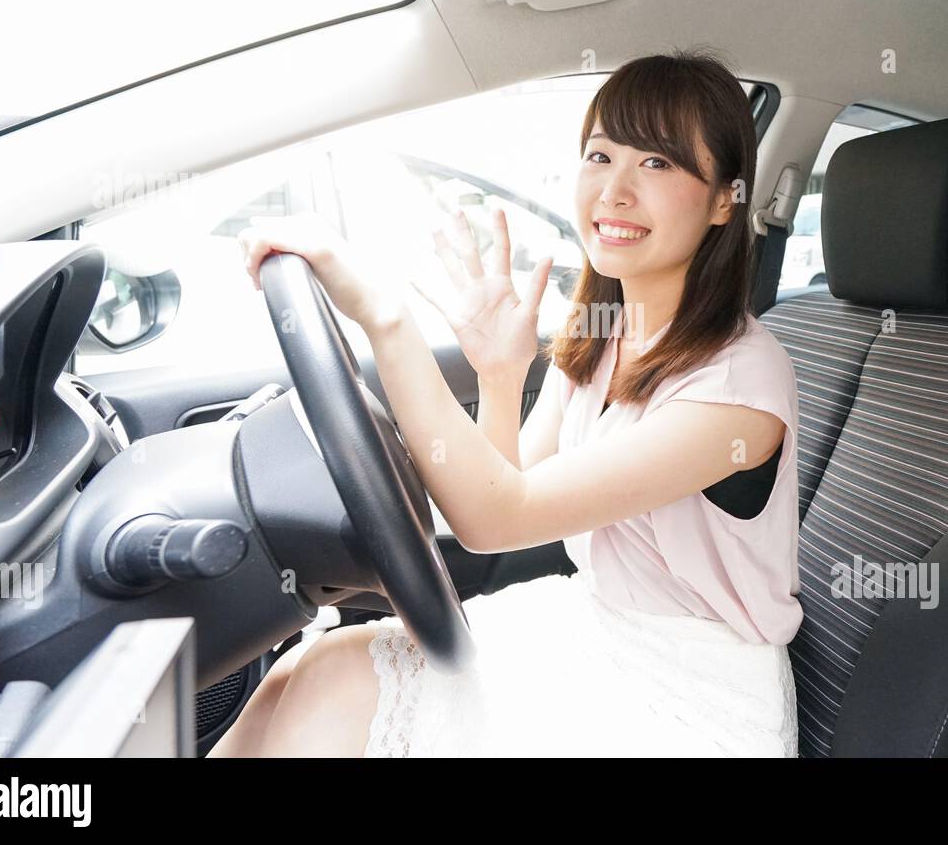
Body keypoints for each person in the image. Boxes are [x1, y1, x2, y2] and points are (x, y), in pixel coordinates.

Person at [209, 49, 803, 758]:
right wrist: (497, 374)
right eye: (601, 154)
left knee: (334, 689)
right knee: (306, 667)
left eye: (657, 164)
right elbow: (508, 482)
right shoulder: (607, 334)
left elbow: (495, 516)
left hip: (689, 700)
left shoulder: (737, 386)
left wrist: (385, 319)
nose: (614, 190)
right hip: (595, 632)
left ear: (722, 200)